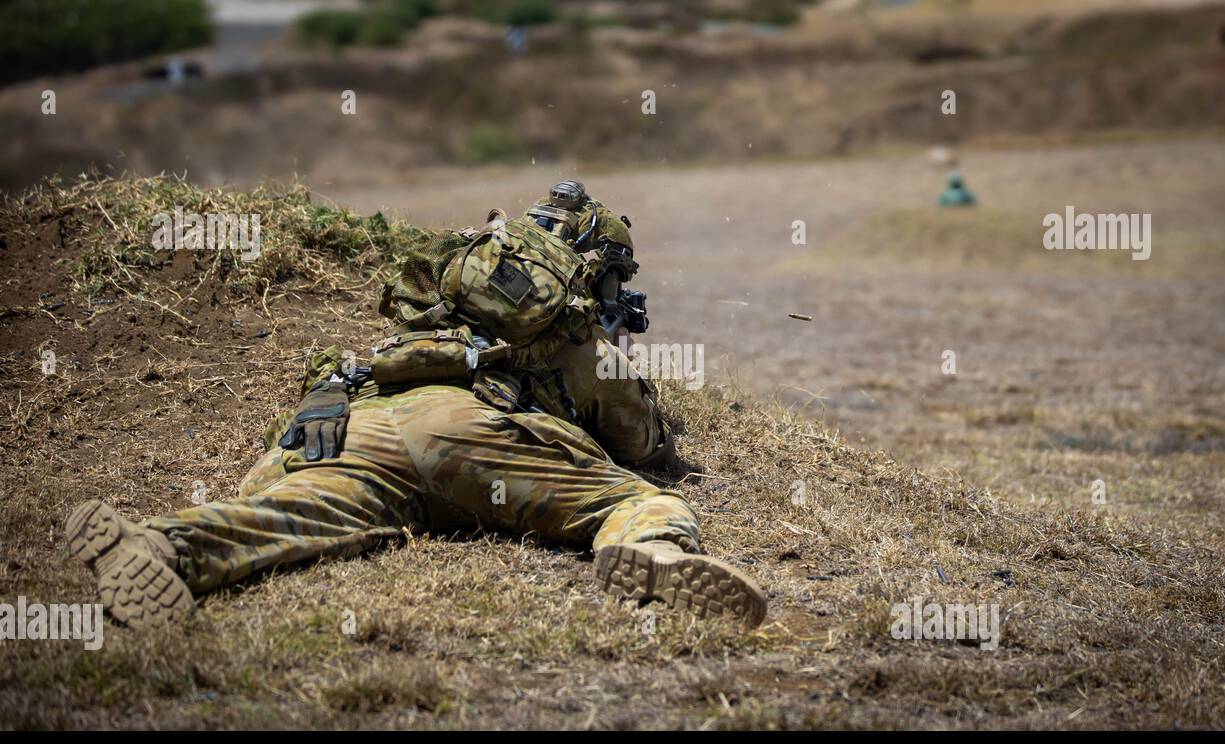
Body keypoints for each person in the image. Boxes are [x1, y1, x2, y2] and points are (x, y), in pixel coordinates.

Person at [65, 181, 768, 631]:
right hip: (471, 436)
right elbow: (641, 445)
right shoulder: (572, 330)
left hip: (362, 421)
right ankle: (648, 551)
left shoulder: (442, 297)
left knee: (299, 512)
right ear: (598, 272)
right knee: (637, 498)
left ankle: (162, 542)